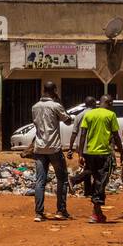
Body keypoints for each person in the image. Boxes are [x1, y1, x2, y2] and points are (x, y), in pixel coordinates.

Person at [72, 95, 123, 224]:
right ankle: (96, 211)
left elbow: (82, 134)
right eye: (111, 103)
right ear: (109, 102)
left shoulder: (89, 115)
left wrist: (80, 154)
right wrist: (121, 153)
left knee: (96, 179)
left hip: (89, 152)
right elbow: (116, 136)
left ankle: (97, 211)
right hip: (104, 153)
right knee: (101, 181)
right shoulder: (111, 115)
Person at [30, 81, 73, 222]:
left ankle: (38, 213)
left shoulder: (35, 107)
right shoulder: (56, 106)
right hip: (54, 147)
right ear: (54, 90)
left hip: (39, 148)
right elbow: (68, 121)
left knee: (40, 180)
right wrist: (60, 102)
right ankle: (61, 210)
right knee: (62, 178)